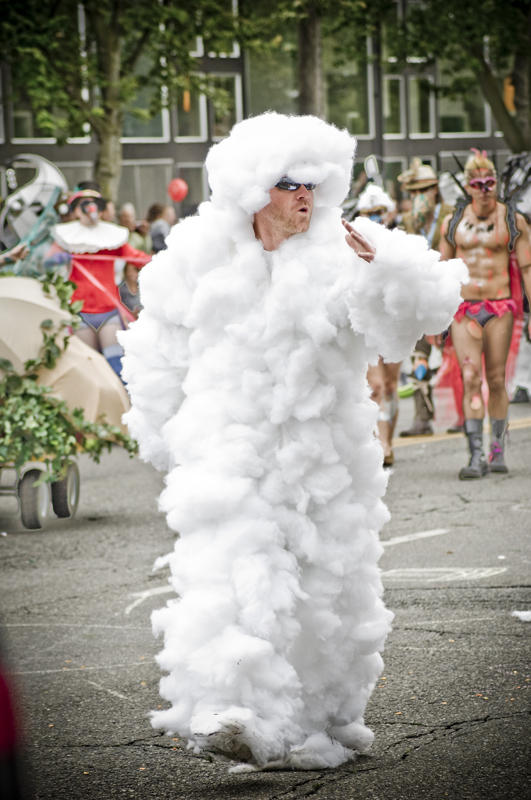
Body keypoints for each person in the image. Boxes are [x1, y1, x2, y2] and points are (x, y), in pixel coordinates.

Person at [121, 113, 465, 771]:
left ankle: (317, 718)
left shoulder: (344, 248)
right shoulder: (198, 254)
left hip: (323, 453)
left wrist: (386, 269)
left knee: (325, 589)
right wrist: (163, 433)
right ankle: (232, 707)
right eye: (288, 184)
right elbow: (158, 347)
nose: (305, 195)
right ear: (255, 190)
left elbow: (416, 319)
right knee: (231, 567)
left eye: (312, 183)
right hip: (228, 443)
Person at [440, 150, 531, 478]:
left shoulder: (512, 220)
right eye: (477, 184)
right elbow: (440, 270)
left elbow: (527, 268)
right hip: (464, 311)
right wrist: (434, 318)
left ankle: (496, 450)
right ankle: (476, 455)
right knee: (470, 377)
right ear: (468, 186)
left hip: (500, 308)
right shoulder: (452, 223)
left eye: (489, 183)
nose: (484, 190)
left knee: (495, 380)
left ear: (496, 184)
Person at [51, 190, 151, 377]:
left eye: (95, 204)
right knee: (89, 370)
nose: (91, 208)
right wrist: (55, 258)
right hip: (80, 313)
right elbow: (44, 264)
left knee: (116, 367)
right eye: (84, 204)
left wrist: (165, 260)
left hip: (108, 312)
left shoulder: (112, 239)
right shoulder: (66, 239)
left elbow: (138, 258)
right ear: (75, 210)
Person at [398, 159, 457, 437]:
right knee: (418, 360)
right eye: (414, 192)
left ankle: (463, 415)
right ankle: (422, 418)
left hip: (449, 298)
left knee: (455, 358)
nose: (419, 196)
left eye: (424, 190)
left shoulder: (451, 215)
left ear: (435, 190)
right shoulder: (408, 221)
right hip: (419, 301)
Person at [356, 184, 400, 466]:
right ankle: (380, 443)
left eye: (379, 211)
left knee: (392, 386)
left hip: (394, 323)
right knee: (376, 386)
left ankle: (388, 440)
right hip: (369, 323)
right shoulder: (351, 242)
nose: (374, 217)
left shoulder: (400, 240)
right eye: (368, 212)